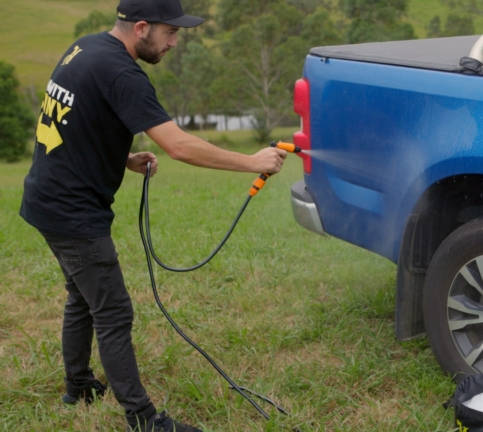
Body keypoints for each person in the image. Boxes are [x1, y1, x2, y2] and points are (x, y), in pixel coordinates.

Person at [19, 0, 287, 430]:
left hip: (46, 199)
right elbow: (178, 145)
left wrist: (121, 156)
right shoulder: (124, 74)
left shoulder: (85, 48)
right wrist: (251, 161)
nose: (175, 42)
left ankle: (78, 385)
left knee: (82, 297)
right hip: (72, 212)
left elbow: (73, 119)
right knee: (113, 313)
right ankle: (144, 420)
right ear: (141, 28)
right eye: (170, 32)